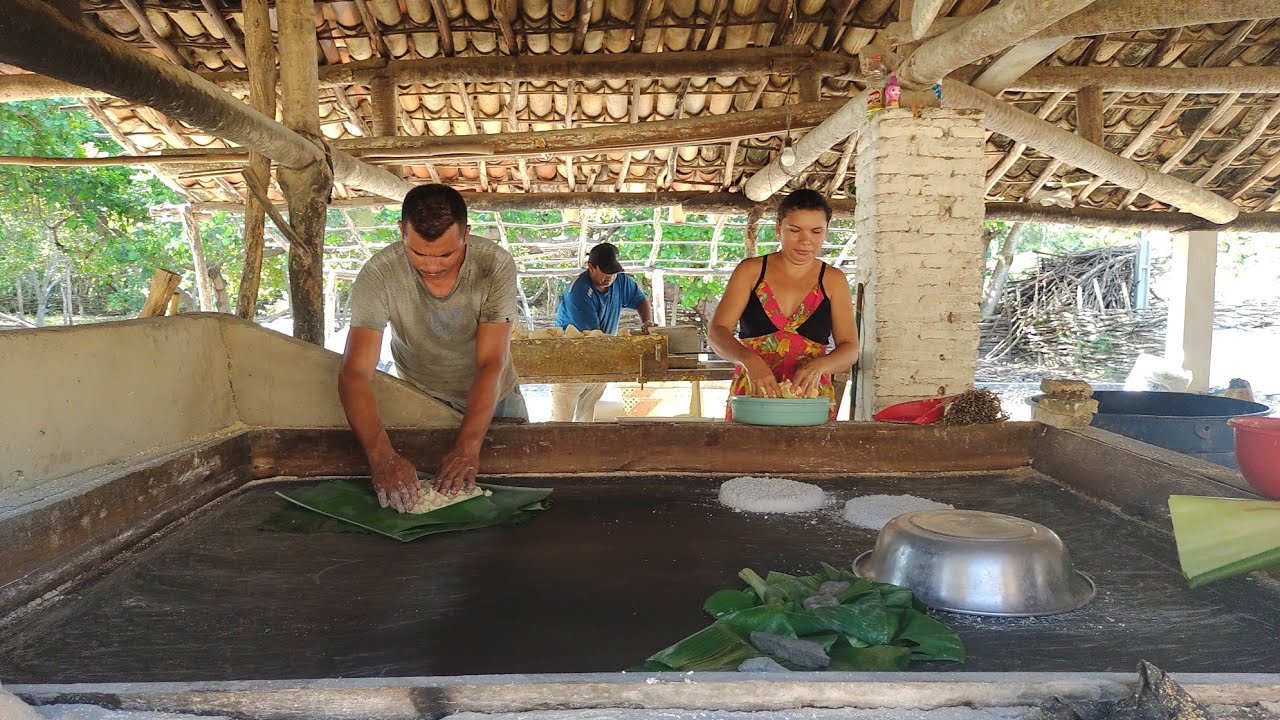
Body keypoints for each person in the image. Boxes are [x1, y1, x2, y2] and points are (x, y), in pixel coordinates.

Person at [339, 184, 523, 513]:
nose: (432, 266)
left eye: (445, 255)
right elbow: (355, 373)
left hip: (496, 401)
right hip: (421, 400)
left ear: (466, 234)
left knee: (512, 499)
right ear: (402, 231)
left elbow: (491, 362)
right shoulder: (379, 275)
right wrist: (382, 457)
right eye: (419, 254)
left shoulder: (494, 265)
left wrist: (468, 445)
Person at [708, 189, 859, 421]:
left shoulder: (833, 280)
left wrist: (820, 366)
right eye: (795, 230)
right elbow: (717, 332)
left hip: (809, 400)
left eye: (816, 231)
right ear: (778, 227)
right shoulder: (751, 271)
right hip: (754, 395)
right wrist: (750, 362)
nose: (806, 241)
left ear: (826, 231)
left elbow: (850, 348)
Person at [550, 242, 655, 422]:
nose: (610, 277)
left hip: (600, 358)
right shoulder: (578, 291)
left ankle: (584, 441)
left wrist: (647, 321)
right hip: (570, 360)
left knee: (587, 416)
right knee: (562, 420)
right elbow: (594, 337)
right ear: (591, 267)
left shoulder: (620, 280)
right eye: (605, 272)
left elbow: (640, 300)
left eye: (613, 272)